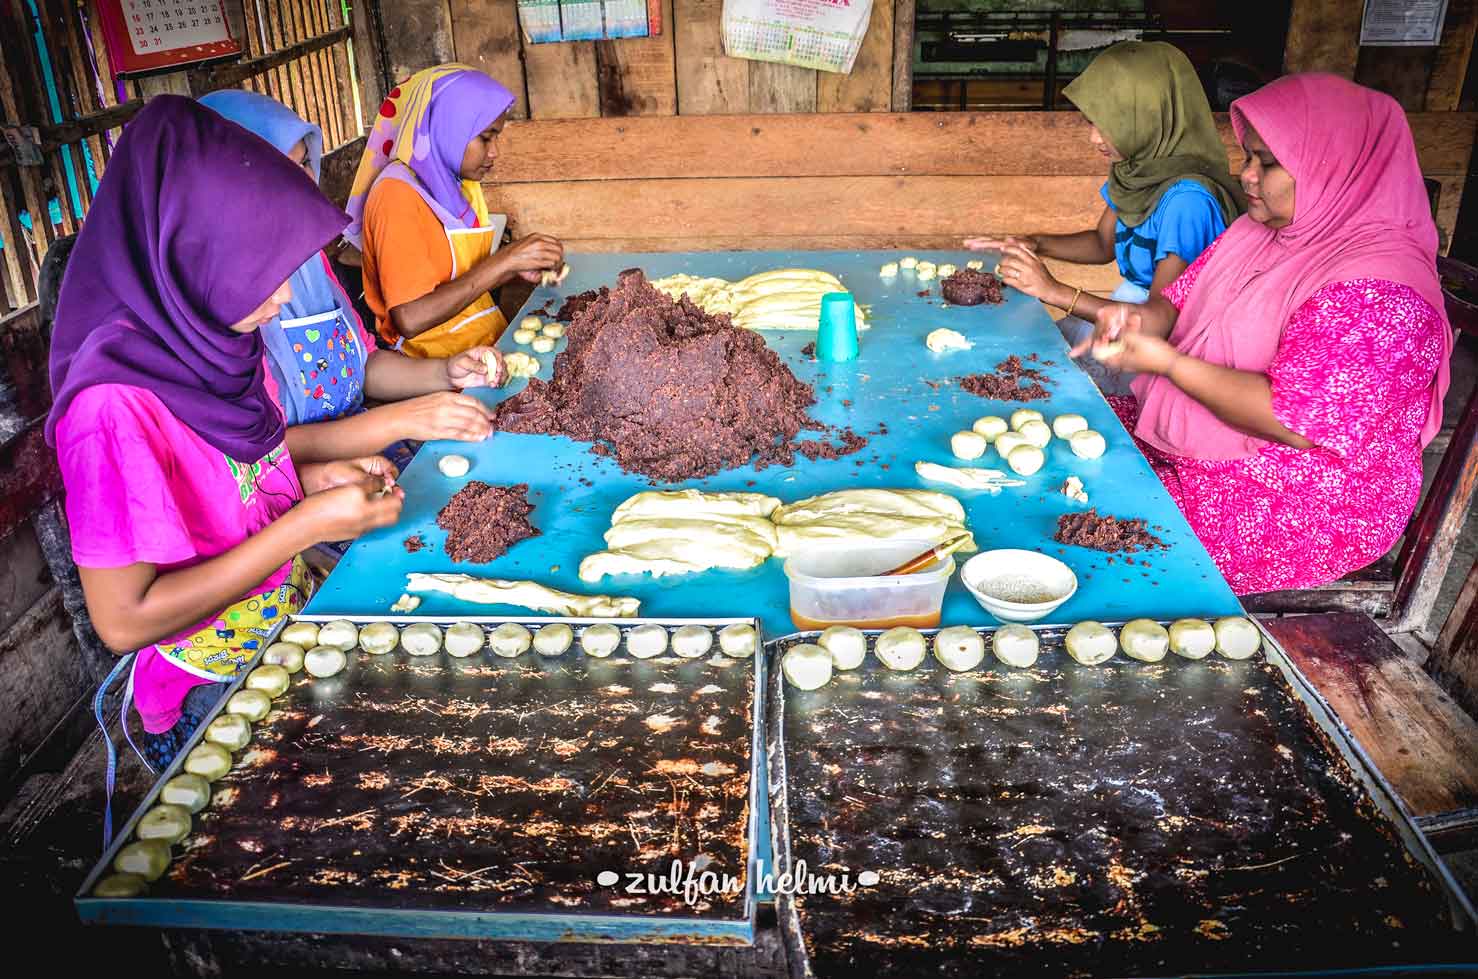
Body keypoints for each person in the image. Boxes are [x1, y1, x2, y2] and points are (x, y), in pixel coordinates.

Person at [47, 97, 405, 772]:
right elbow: (123, 619)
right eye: (261, 274)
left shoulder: (221, 338)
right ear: (193, 255)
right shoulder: (112, 408)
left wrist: (312, 480)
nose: (280, 298)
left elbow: (238, 470)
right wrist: (302, 525)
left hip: (276, 624)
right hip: (203, 689)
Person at [1075, 74, 1452, 595]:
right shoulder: (1258, 231)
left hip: (1299, 497)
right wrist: (1132, 322)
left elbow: (1292, 423)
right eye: (1248, 157)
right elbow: (1173, 306)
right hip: (1200, 442)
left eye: (1268, 162)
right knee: (1065, 440)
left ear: (1333, 165)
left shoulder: (1382, 291)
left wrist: (1167, 363)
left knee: (1082, 528)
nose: (1247, 175)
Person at [198, 90, 499, 466]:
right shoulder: (213, 293)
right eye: (280, 166)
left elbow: (362, 365)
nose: (304, 180)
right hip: (298, 490)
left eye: (306, 162)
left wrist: (445, 371)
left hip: (371, 457)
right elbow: (262, 451)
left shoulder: (311, 261)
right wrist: (403, 418)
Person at [967, 41, 1244, 394]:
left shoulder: (1188, 201)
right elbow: (1102, 243)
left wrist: (1053, 290)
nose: (1094, 136)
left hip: (1154, 344)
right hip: (1122, 313)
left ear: (1147, 116)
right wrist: (1035, 243)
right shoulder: (1136, 170)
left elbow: (1161, 318)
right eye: (1091, 121)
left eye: (1108, 124)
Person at [345, 64, 565, 358]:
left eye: (497, 137)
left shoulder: (454, 184)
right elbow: (410, 319)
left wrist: (514, 269)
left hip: (478, 338)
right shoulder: (395, 196)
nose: (495, 151)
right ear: (449, 128)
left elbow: (460, 279)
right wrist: (506, 260)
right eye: (486, 138)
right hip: (428, 361)